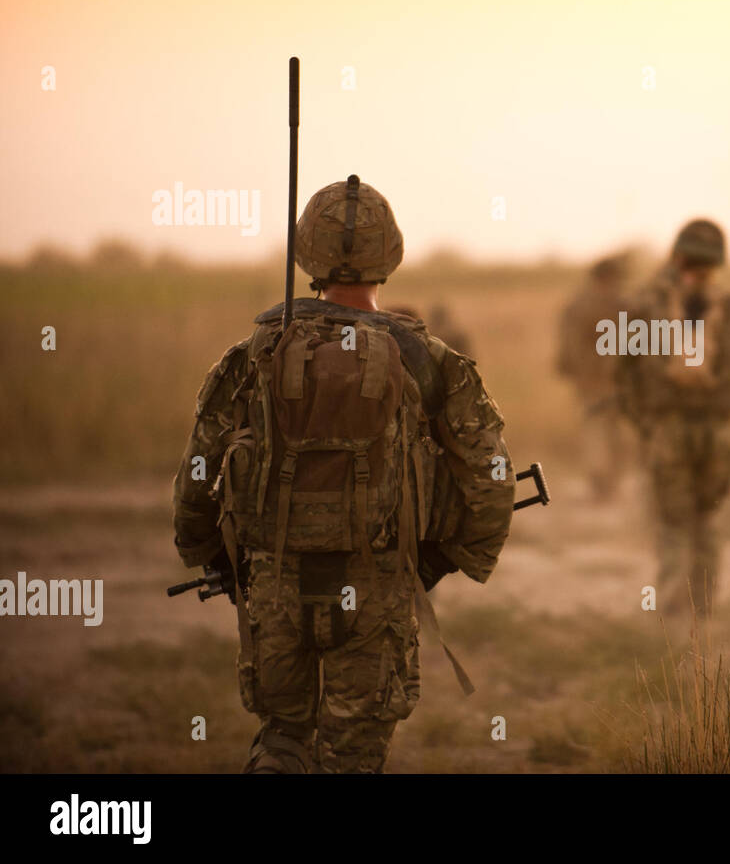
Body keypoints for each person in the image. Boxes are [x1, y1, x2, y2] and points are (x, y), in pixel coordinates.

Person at [172, 176, 515, 773]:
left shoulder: (253, 354)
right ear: (391, 256)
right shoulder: (429, 361)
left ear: (309, 256)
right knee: (353, 758)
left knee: (281, 741)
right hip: (377, 592)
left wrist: (217, 560)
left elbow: (197, 474)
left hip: (274, 589)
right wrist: (434, 563)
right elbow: (492, 480)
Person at [615, 220, 730, 617]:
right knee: (703, 520)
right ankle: (699, 612)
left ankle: (676, 616)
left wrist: (645, 423)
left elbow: (624, 375)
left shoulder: (646, 306)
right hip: (712, 429)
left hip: (674, 429)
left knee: (676, 523)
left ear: (676, 257)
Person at [555, 254, 630, 501]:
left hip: (590, 378)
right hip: (612, 377)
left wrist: (572, 370)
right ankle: (607, 483)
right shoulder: (620, 304)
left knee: (596, 429)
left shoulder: (577, 304)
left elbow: (568, 346)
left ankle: (602, 482)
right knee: (609, 429)